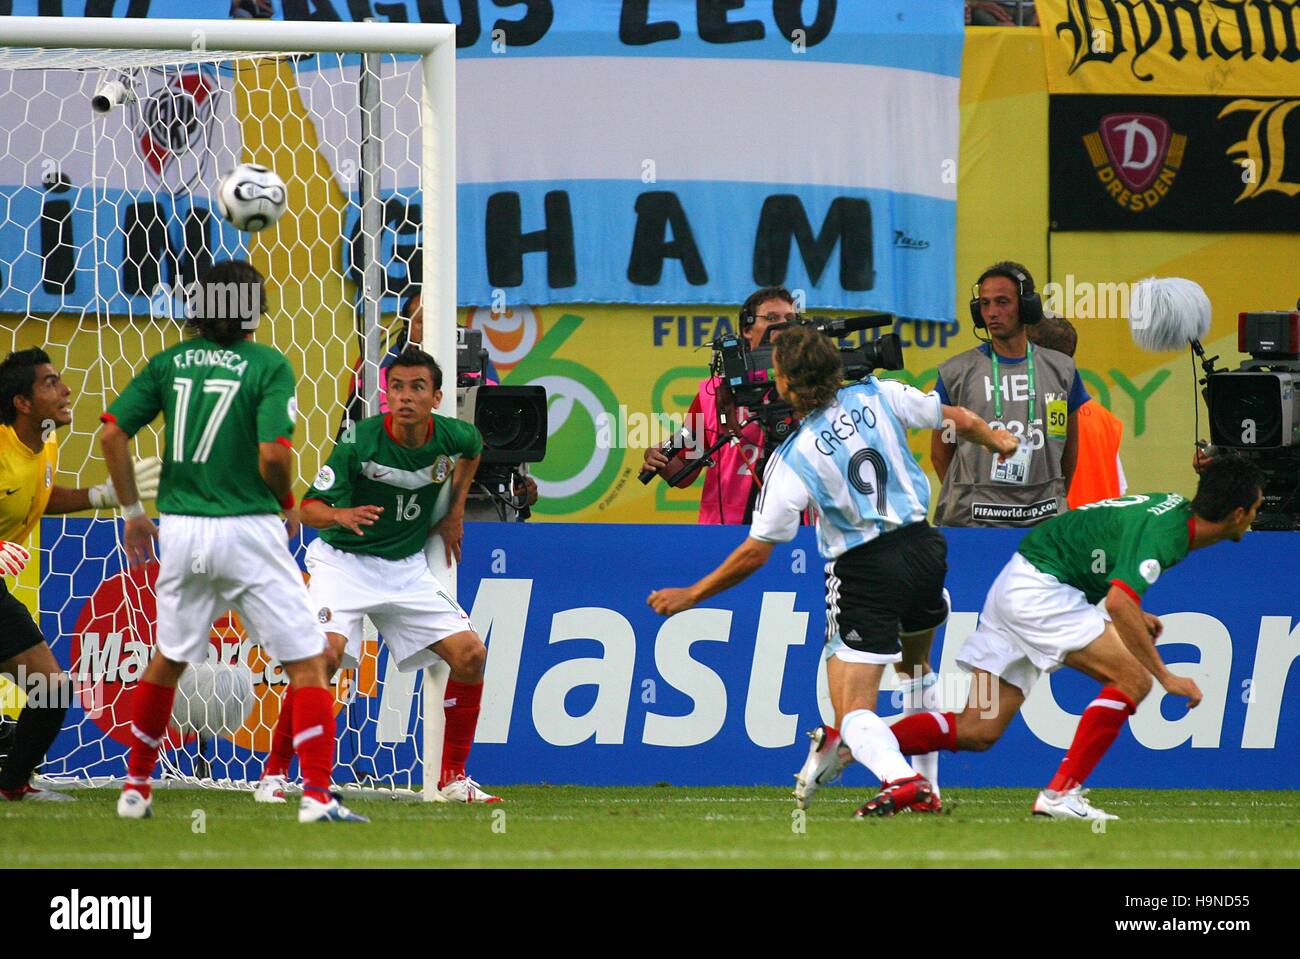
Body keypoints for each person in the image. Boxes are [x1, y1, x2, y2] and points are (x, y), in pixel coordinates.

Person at [647, 324, 1017, 817]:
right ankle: (929, 790)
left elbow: (757, 551)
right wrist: (997, 440)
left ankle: (904, 780)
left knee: (854, 714)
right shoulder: (880, 394)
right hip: (925, 550)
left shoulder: (793, 455)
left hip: (865, 568)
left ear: (782, 384)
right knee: (915, 673)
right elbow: (956, 418)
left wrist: (691, 594)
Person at [101, 259, 365, 823]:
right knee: (309, 663)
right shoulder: (268, 364)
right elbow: (274, 453)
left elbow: (111, 433)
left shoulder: (168, 363)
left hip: (182, 529)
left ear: (197, 309)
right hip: (248, 527)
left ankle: (136, 787)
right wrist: (289, 504)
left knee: (168, 660)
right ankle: (317, 796)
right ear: (254, 310)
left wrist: (131, 512)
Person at [887, 456, 1264, 821]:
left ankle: (853, 743)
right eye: (1256, 508)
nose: (1255, 517)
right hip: (1042, 593)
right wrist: (1167, 677)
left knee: (977, 728)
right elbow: (1119, 602)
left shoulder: (1171, 509)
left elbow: (1104, 560)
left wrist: (1132, 612)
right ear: (1238, 514)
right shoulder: (1169, 535)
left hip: (1020, 585)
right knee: (1133, 679)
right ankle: (1061, 794)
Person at [255, 346, 500, 804]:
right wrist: (342, 515)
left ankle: (452, 777)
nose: (405, 396)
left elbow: (474, 449)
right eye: (398, 387)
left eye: (417, 388)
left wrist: (455, 512)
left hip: (406, 569)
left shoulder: (453, 435)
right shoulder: (360, 441)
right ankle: (273, 775)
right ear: (387, 393)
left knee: (471, 656)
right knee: (322, 659)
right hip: (343, 563)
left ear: (436, 397)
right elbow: (308, 509)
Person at [0, 348, 160, 801]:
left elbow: (39, 496)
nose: (66, 389)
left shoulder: (45, 441)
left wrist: (101, 495)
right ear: (22, 403)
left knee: (50, 688)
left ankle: (12, 787)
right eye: (50, 383)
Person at [932, 262, 1090, 527]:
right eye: (984, 304)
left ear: (1027, 306)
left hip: (1044, 519)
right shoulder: (956, 373)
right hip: (973, 522)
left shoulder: (1061, 370)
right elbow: (940, 453)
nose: (992, 312)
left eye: (1003, 302)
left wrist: (1051, 496)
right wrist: (971, 495)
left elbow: (1067, 448)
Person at [642, 287, 799, 524]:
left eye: (789, 319)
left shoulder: (814, 389)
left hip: (802, 533)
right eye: (771, 318)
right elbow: (684, 472)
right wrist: (657, 457)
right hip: (727, 533)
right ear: (747, 329)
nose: (782, 326)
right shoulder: (711, 393)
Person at [1026, 315, 1128, 508]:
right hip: (1100, 532)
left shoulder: (1028, 414)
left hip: (1056, 533)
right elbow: (1119, 490)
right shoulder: (1105, 419)